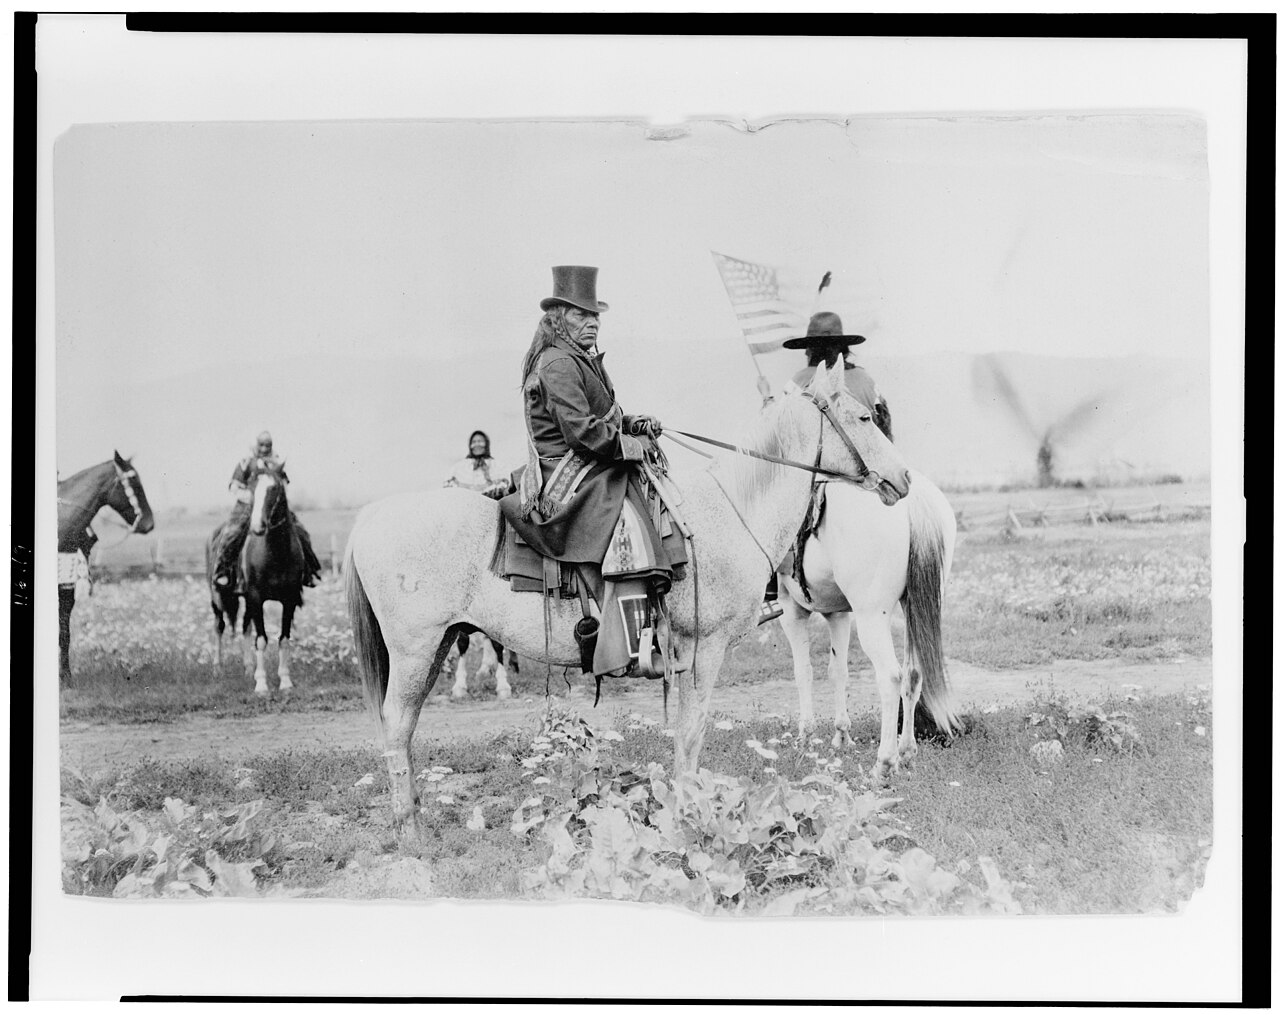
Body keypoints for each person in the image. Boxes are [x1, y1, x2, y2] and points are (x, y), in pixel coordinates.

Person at [499, 265, 686, 679]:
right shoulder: (557, 364)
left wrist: (633, 424)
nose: (592, 322)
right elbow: (581, 432)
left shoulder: (579, 359)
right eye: (581, 314)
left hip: (589, 461)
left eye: (595, 315)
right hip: (566, 472)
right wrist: (629, 446)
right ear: (557, 319)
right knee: (629, 520)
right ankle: (630, 648)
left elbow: (602, 417)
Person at [757, 311, 894, 624]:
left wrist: (765, 396)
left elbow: (776, 426)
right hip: (866, 475)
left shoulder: (801, 380)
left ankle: (771, 588)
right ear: (843, 347)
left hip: (820, 475)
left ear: (810, 348)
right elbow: (884, 427)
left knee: (772, 513)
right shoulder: (866, 380)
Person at [213, 431, 323, 589]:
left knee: (300, 531)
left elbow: (284, 484)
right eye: (262, 445)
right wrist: (252, 497)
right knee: (232, 533)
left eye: (268, 445)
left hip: (271, 507)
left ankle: (309, 570)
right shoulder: (247, 462)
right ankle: (223, 571)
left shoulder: (276, 463)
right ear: (256, 445)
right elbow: (234, 486)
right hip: (247, 506)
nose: (264, 448)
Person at [443, 430, 512, 500]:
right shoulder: (459, 466)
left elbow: (506, 484)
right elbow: (448, 485)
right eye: (474, 442)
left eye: (480, 441)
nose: (477, 444)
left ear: (486, 444)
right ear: (470, 445)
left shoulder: (497, 465)